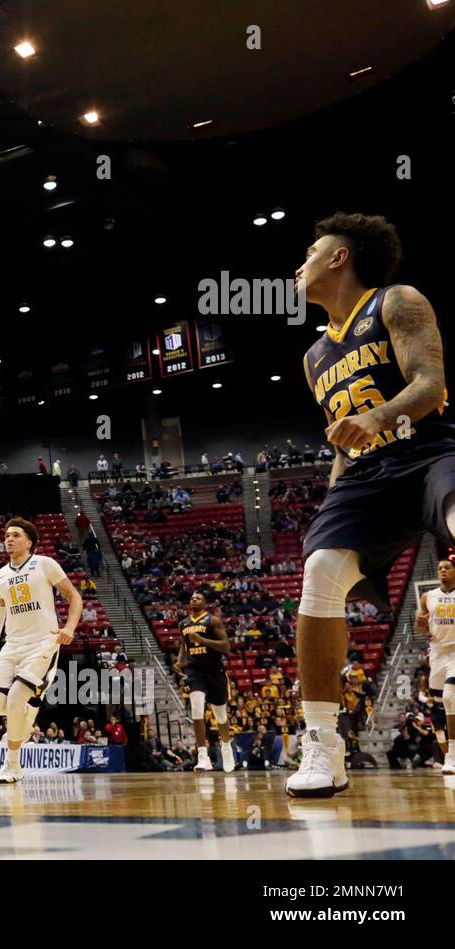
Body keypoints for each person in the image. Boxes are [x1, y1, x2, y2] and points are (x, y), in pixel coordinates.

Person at [288, 213, 455, 798]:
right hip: (364, 476)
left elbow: (430, 384)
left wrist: (379, 417)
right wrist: (337, 497)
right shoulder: (313, 358)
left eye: (310, 248)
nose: (299, 261)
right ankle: (324, 748)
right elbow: (343, 439)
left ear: (339, 257)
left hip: (427, 448)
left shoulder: (395, 301)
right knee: (319, 571)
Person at [0, 518, 82, 784]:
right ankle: (28, 709)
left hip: (42, 643)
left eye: (15, 535)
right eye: (6, 535)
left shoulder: (44, 564)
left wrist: (69, 627)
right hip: (12, 645)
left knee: (13, 699)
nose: (8, 539)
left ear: (29, 542)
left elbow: (74, 597)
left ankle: (12, 765)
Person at [172, 591, 235, 773]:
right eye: (191, 597)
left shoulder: (213, 621)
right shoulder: (183, 624)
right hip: (195, 672)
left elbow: (226, 646)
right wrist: (179, 661)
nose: (193, 599)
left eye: (198, 598)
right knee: (197, 709)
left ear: (205, 603)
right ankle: (202, 756)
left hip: (214, 670)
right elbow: (185, 645)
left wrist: (203, 640)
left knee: (220, 715)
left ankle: (226, 748)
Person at [417, 557, 455, 774]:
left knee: (451, 698)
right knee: (443, 702)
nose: (442, 571)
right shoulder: (427, 596)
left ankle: (451, 757)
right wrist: (420, 624)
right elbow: (422, 628)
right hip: (438, 654)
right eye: (440, 568)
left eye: (447, 568)